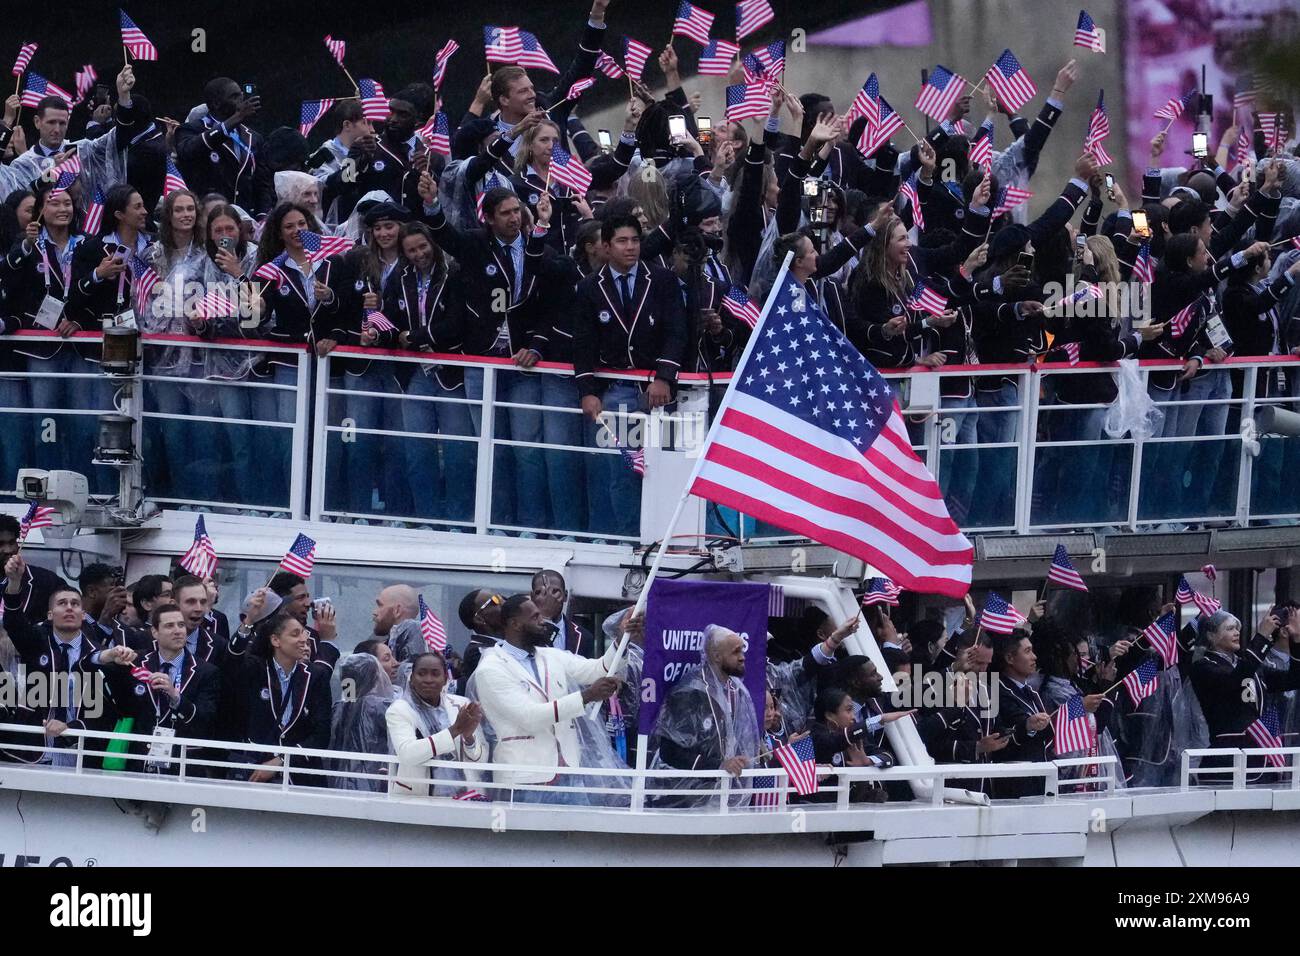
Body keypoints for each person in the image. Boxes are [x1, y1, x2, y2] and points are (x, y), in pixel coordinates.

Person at [418, 173, 558, 534]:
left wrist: (538, 346)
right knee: (489, 446)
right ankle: (497, 521)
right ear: (490, 218)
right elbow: (444, 235)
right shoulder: (476, 245)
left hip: (523, 363)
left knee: (526, 448)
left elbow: (549, 303)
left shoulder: (537, 244)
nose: (514, 217)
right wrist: (432, 204)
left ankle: (532, 523)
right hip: (482, 363)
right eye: (506, 212)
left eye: (517, 211)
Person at [573, 214, 687, 537]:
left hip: (660, 390)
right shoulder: (588, 288)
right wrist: (588, 391)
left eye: (635, 240)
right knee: (621, 469)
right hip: (617, 390)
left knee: (664, 463)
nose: (631, 248)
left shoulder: (662, 279)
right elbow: (582, 345)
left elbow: (676, 331)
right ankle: (627, 537)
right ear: (606, 247)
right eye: (623, 241)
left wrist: (664, 377)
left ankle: (662, 535)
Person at [470, 594, 623, 804]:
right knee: (533, 838)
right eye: (534, 617)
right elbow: (530, 717)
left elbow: (597, 670)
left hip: (569, 773)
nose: (543, 622)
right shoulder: (490, 669)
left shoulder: (551, 655)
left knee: (578, 836)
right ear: (515, 624)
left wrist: (622, 639)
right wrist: (587, 696)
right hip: (525, 779)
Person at [2, 552, 135, 768]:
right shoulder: (36, 643)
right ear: (50, 614)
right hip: (35, 754)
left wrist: (73, 727)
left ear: (83, 614)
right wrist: (15, 582)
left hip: (83, 756)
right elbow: (14, 622)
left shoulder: (102, 653)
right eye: (62, 603)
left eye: (75, 603)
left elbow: (115, 711)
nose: (70, 607)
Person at [383, 220, 476, 524]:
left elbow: (457, 324)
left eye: (422, 246)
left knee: (458, 452)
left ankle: (458, 520)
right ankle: (427, 517)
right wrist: (380, 329)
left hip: (450, 374)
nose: (418, 254)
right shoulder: (400, 276)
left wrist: (416, 337)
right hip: (415, 375)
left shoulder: (455, 272)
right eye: (410, 250)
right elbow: (392, 320)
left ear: (433, 244)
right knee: (417, 451)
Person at [223, 595, 332, 786]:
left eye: (304, 634)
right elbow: (232, 661)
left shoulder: (316, 676)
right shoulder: (256, 669)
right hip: (255, 773)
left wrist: (281, 761)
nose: (303, 639)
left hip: (300, 778)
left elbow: (321, 734)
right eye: (295, 634)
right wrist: (249, 621)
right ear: (275, 640)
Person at [647, 625, 760, 808]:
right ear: (716, 656)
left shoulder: (735, 690)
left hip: (719, 796)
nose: (742, 657)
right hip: (681, 801)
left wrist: (737, 760)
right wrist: (718, 766)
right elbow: (670, 752)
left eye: (742, 650)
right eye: (735, 651)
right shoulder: (689, 692)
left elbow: (728, 741)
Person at [102, 602, 222, 775]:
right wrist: (110, 657)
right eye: (169, 626)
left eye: (181, 625)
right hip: (137, 764)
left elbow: (206, 718)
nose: (178, 630)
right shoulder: (134, 662)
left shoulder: (206, 671)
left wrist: (176, 697)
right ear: (155, 632)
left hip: (182, 767)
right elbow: (92, 676)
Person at [1190, 608, 1300, 775]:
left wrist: (1296, 640)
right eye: (1229, 629)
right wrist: (1261, 637)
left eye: (1237, 629)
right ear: (1211, 636)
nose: (1236, 633)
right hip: (1227, 761)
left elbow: (1293, 679)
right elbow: (1235, 681)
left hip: (1259, 758)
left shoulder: (1252, 668)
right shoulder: (1204, 666)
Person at [386, 650, 488, 798]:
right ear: (411, 679)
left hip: (465, 797)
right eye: (421, 673)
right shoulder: (399, 709)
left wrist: (469, 738)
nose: (428, 679)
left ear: (446, 678)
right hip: (418, 798)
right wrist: (455, 730)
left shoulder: (462, 705)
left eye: (435, 674)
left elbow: (481, 761)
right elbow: (408, 754)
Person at [174, 77, 275, 215]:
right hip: (206, 217)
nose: (242, 100)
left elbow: (263, 184)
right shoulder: (191, 129)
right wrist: (237, 117)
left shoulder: (253, 137)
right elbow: (188, 151)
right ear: (216, 103)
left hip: (243, 219)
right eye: (234, 97)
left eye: (241, 95)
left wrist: (261, 216)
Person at [992, 631, 1056, 798]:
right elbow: (1016, 728)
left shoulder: (1030, 691)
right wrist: (1028, 726)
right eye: (1027, 651)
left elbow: (1048, 731)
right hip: (1015, 786)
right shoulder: (998, 691)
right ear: (1010, 658)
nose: (1034, 657)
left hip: (1039, 779)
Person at [327, 652, 395, 792]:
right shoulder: (381, 707)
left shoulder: (339, 707)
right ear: (376, 676)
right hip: (373, 782)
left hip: (339, 781)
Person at [264, 571, 340, 671]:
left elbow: (320, 684)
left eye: (307, 597)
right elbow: (317, 678)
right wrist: (327, 640)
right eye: (300, 598)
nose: (308, 604)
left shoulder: (314, 638)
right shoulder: (261, 635)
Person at [0, 516, 68, 626]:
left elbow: (71, 618)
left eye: (12, 542)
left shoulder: (47, 581)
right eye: (0, 544)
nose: (8, 550)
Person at [78, 563, 150, 651]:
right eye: (112, 587)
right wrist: (105, 620)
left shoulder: (125, 632)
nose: (119, 593)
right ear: (91, 591)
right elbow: (89, 655)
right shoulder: (70, 625)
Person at [455, 588, 505, 694]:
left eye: (501, 597)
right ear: (479, 619)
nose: (504, 602)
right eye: (495, 600)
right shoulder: (478, 651)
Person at [530, 569, 591, 657]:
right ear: (532, 597)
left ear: (565, 596)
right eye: (540, 593)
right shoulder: (523, 631)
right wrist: (546, 618)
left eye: (554, 592)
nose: (548, 598)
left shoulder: (584, 637)